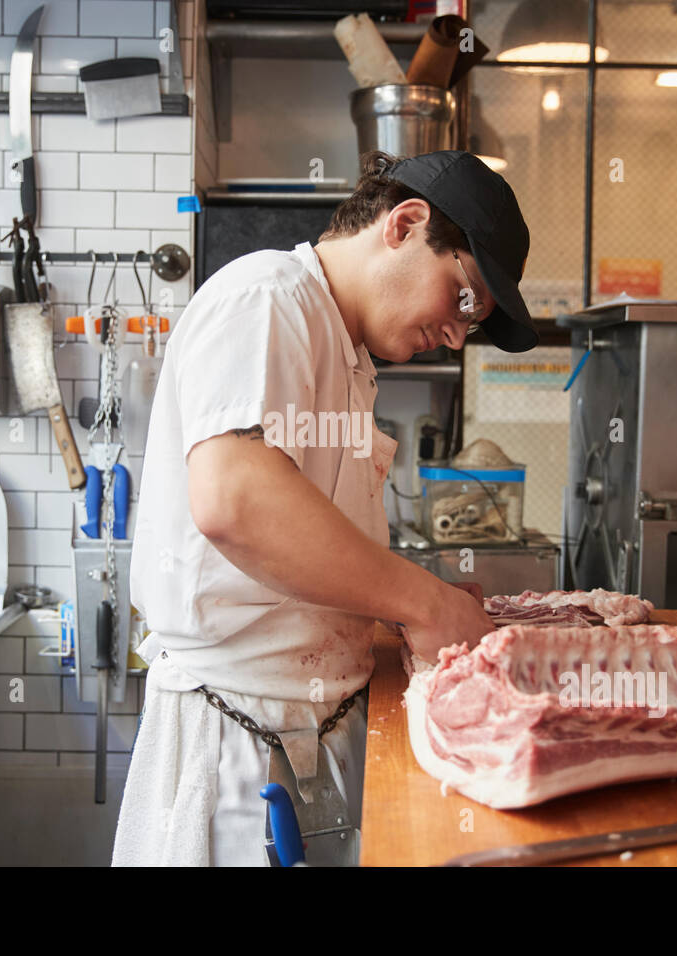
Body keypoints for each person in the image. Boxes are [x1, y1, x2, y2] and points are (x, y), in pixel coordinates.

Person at [112, 149, 539, 866]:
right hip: (236, 752)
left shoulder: (347, 353)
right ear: (405, 224)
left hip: (301, 733)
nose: (461, 333)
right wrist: (425, 604)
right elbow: (235, 500)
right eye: (464, 299)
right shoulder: (268, 298)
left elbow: (304, 542)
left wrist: (410, 600)